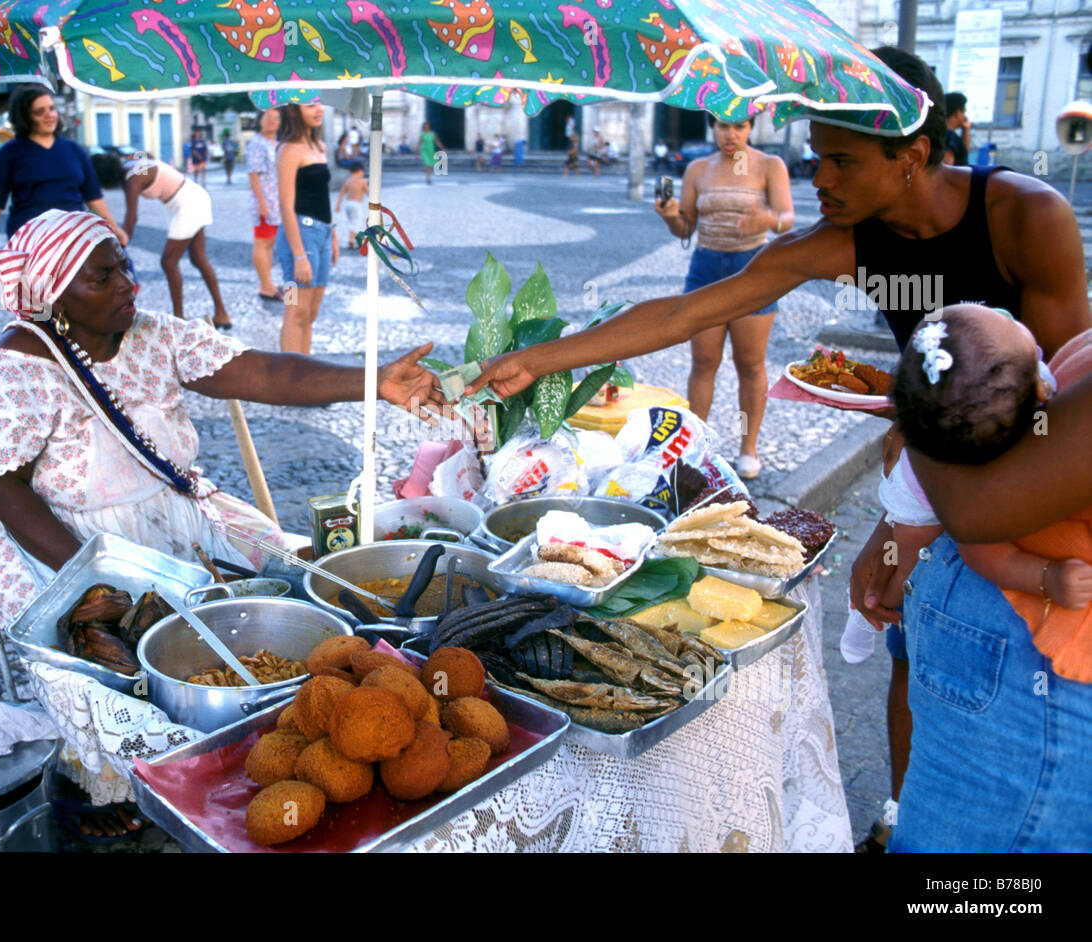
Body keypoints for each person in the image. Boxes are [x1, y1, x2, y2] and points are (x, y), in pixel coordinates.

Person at [466, 46, 1092, 848]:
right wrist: (538, 360)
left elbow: (1064, 396)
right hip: (931, 461)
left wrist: (921, 448)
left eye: (841, 161)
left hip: (1019, 492)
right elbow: (695, 311)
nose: (816, 179)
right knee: (905, 633)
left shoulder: (1023, 216)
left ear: (915, 155)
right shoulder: (852, 238)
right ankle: (901, 814)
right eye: (814, 156)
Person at [0, 208, 441, 836]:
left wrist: (375, 381)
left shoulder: (154, 335)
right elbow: (3, 490)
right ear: (53, 301)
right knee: (91, 653)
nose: (129, 283)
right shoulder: (15, 370)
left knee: (288, 569)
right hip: (51, 532)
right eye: (102, 278)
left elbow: (265, 370)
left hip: (169, 507)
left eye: (123, 265)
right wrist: (87, 579)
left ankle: (278, 718)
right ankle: (102, 777)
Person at [888, 316, 1092, 851]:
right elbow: (976, 521)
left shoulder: (994, 411)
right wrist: (1047, 575)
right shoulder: (1020, 411)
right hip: (1028, 642)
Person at [655, 112, 794, 480]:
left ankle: (748, 448)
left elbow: (787, 218)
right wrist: (670, 215)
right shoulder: (698, 169)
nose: (730, 134)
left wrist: (765, 220)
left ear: (751, 128)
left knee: (750, 363)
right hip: (705, 267)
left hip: (753, 268)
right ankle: (695, 446)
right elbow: (685, 227)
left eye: (739, 126)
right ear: (712, 128)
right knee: (703, 362)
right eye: (723, 126)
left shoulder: (769, 164)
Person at [0, 84, 126, 269]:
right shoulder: (7, 155)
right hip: (29, 242)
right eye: (40, 111)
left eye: (52, 108)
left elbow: (94, 197)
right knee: (37, 297)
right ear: (25, 117)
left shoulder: (74, 151)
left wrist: (113, 227)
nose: (50, 115)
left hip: (74, 239)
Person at [116, 153, 231, 329]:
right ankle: (221, 313)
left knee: (169, 262)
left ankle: (179, 320)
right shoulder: (136, 164)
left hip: (188, 204)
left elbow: (131, 218)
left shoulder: (130, 180)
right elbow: (148, 154)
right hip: (195, 195)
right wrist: (128, 154)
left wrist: (121, 245)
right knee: (199, 259)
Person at [276, 103, 337, 354]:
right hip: (298, 236)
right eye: (310, 105)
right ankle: (288, 381)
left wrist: (332, 234)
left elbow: (323, 196)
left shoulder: (318, 146)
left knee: (311, 313)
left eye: (319, 103)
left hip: (321, 233)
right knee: (294, 311)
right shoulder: (288, 150)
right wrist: (299, 255)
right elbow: (285, 206)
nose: (319, 109)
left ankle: (305, 373)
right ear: (294, 111)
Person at [246, 108, 283, 302]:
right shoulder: (257, 144)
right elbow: (253, 175)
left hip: (278, 202)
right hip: (265, 201)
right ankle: (266, 285)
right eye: (268, 118)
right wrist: (261, 202)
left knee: (270, 244)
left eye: (276, 118)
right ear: (259, 120)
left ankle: (267, 283)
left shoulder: (277, 143)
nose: (272, 121)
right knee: (262, 242)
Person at [335, 161, 368, 251]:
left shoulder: (348, 181)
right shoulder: (362, 181)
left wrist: (338, 205)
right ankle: (352, 242)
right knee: (356, 223)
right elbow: (369, 193)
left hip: (347, 204)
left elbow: (341, 194)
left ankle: (352, 241)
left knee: (351, 222)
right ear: (360, 170)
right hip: (356, 204)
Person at [943, 92, 970, 167]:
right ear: (957, 113)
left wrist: (965, 130)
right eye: (963, 112)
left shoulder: (944, 134)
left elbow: (963, 154)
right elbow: (947, 166)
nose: (965, 117)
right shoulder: (949, 137)